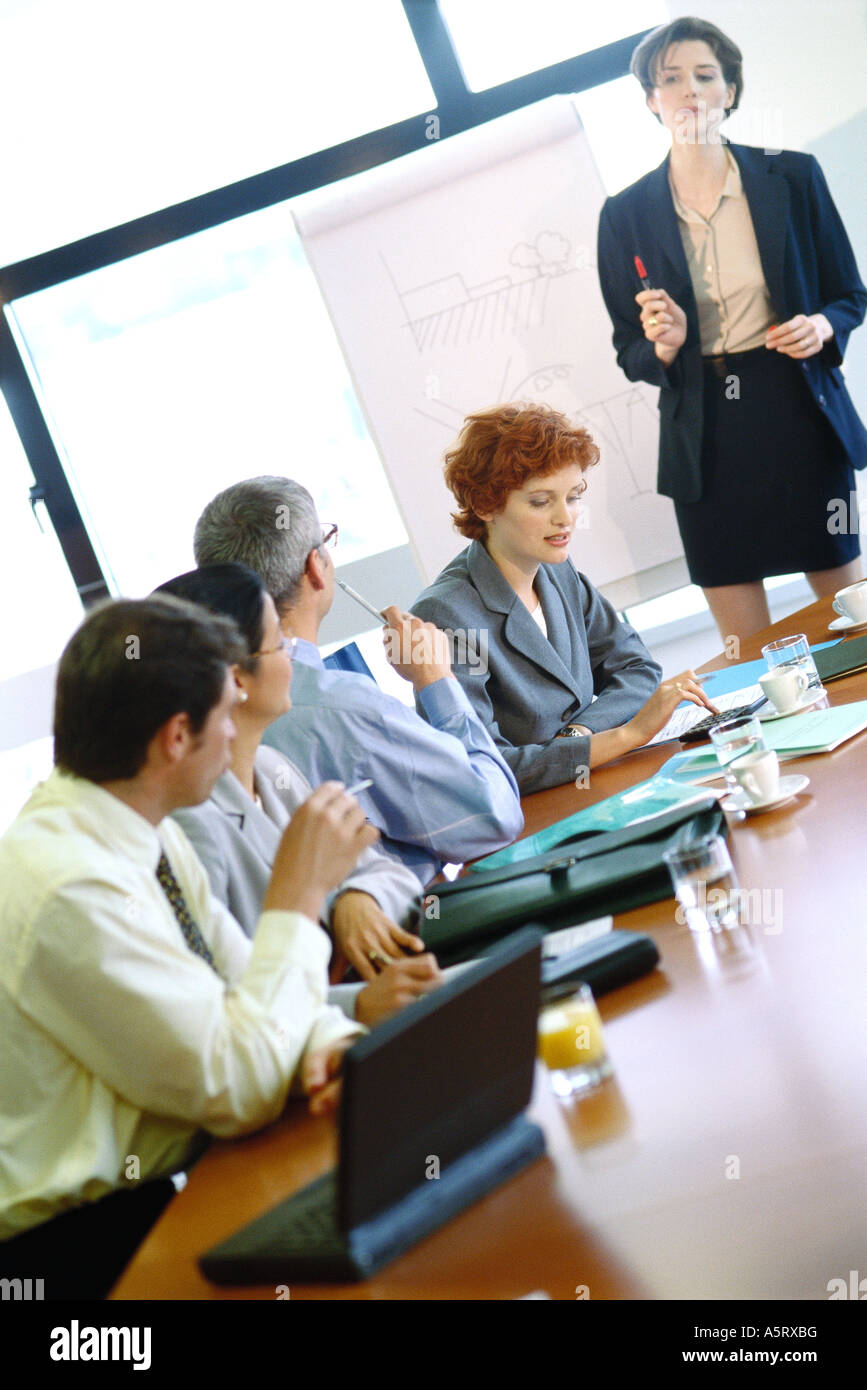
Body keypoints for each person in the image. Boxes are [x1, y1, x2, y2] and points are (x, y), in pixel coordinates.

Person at [0, 595, 375, 1297]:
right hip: (74, 1259)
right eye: (226, 716)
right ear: (176, 737)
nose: (238, 733)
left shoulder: (140, 822)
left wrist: (331, 1047)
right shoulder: (67, 887)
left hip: (163, 1194)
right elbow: (236, 1084)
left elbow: (246, 991)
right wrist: (297, 897)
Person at [596, 16, 867, 642]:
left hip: (800, 407)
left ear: (731, 92)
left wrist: (821, 328)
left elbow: (849, 295)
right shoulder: (624, 215)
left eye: (705, 75)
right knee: (748, 654)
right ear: (650, 101)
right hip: (705, 432)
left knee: (853, 622)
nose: (690, 90)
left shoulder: (792, 176)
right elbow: (627, 349)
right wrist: (662, 347)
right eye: (671, 79)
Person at [192, 476, 524, 887]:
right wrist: (435, 678)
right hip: (407, 929)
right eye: (328, 540)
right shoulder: (344, 707)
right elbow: (493, 817)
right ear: (316, 566)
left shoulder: (204, 714)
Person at [159, 561, 443, 1010]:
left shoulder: (272, 767)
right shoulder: (188, 828)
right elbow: (228, 1004)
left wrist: (358, 896)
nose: (293, 654)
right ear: (237, 680)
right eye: (279, 644)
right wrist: (360, 1005)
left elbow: (388, 873)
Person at [412, 403, 715, 795]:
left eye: (572, 497)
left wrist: (579, 733)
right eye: (541, 502)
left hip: (596, 783)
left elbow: (637, 668)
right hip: (535, 816)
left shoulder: (556, 569)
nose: (566, 517)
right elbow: (485, 766)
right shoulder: (446, 613)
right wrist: (626, 735)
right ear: (486, 505)